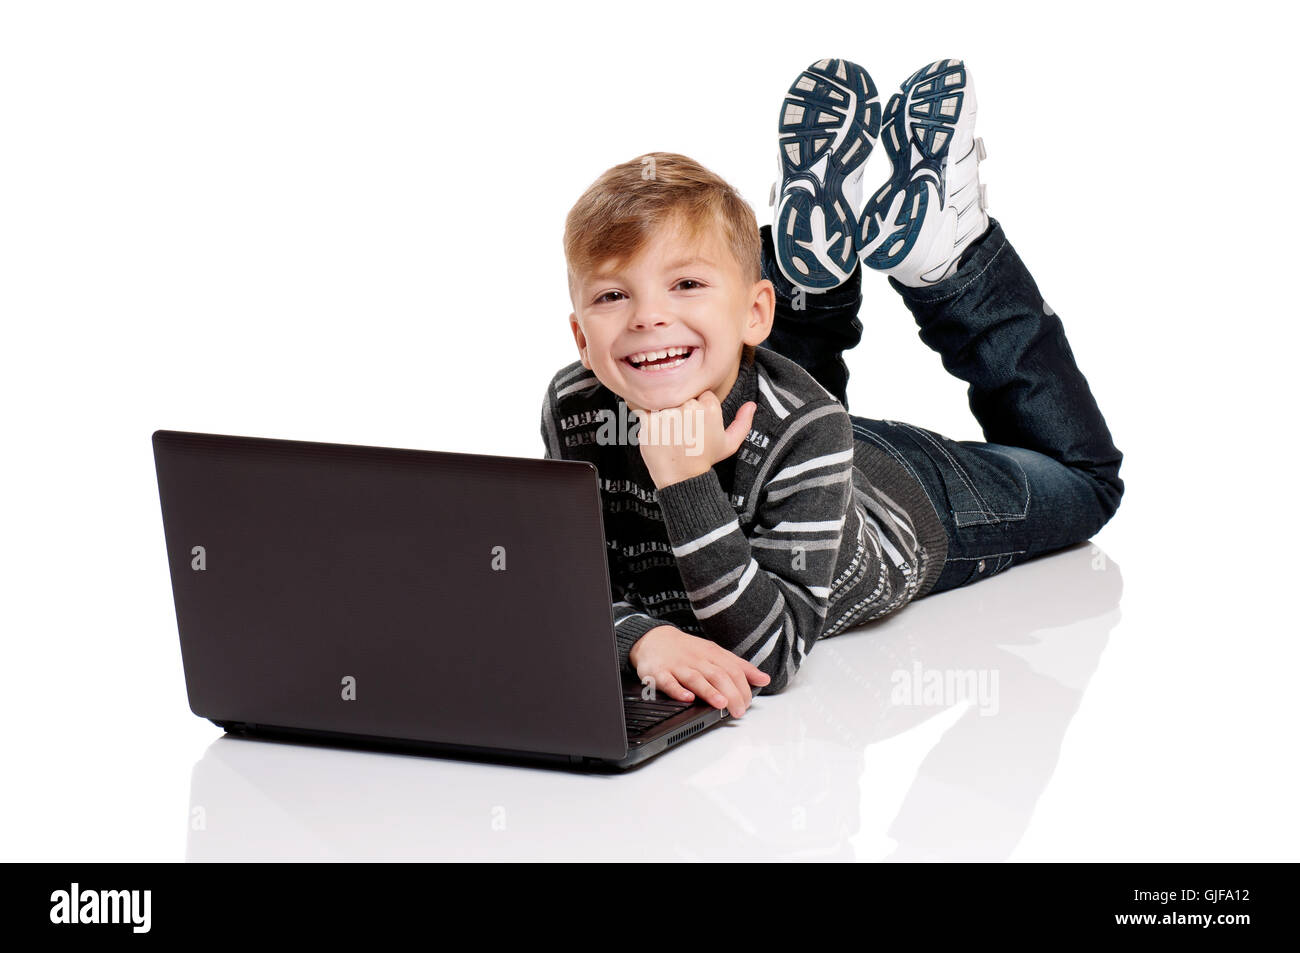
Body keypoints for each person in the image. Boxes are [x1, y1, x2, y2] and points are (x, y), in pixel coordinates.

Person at [539, 58, 1123, 719]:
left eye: (686, 283)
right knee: (728, 366)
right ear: (581, 338)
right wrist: (643, 637)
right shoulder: (575, 405)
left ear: (759, 312)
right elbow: (569, 580)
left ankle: (948, 259)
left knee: (1083, 477)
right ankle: (806, 278)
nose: (647, 316)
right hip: (787, 449)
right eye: (613, 295)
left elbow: (771, 655)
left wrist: (685, 480)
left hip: (907, 503)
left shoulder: (806, 426)